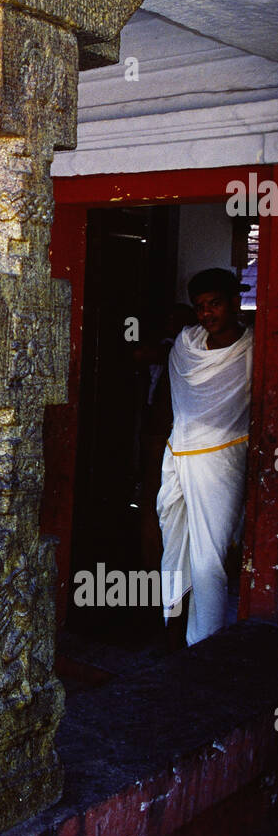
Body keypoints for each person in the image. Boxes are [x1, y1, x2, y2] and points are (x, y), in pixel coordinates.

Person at [156, 268, 253, 646]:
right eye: (200, 307)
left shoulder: (253, 349)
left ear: (233, 303)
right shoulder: (187, 343)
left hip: (222, 459)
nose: (207, 314)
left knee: (210, 555)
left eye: (214, 304)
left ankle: (206, 642)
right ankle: (173, 627)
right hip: (177, 453)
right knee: (174, 537)